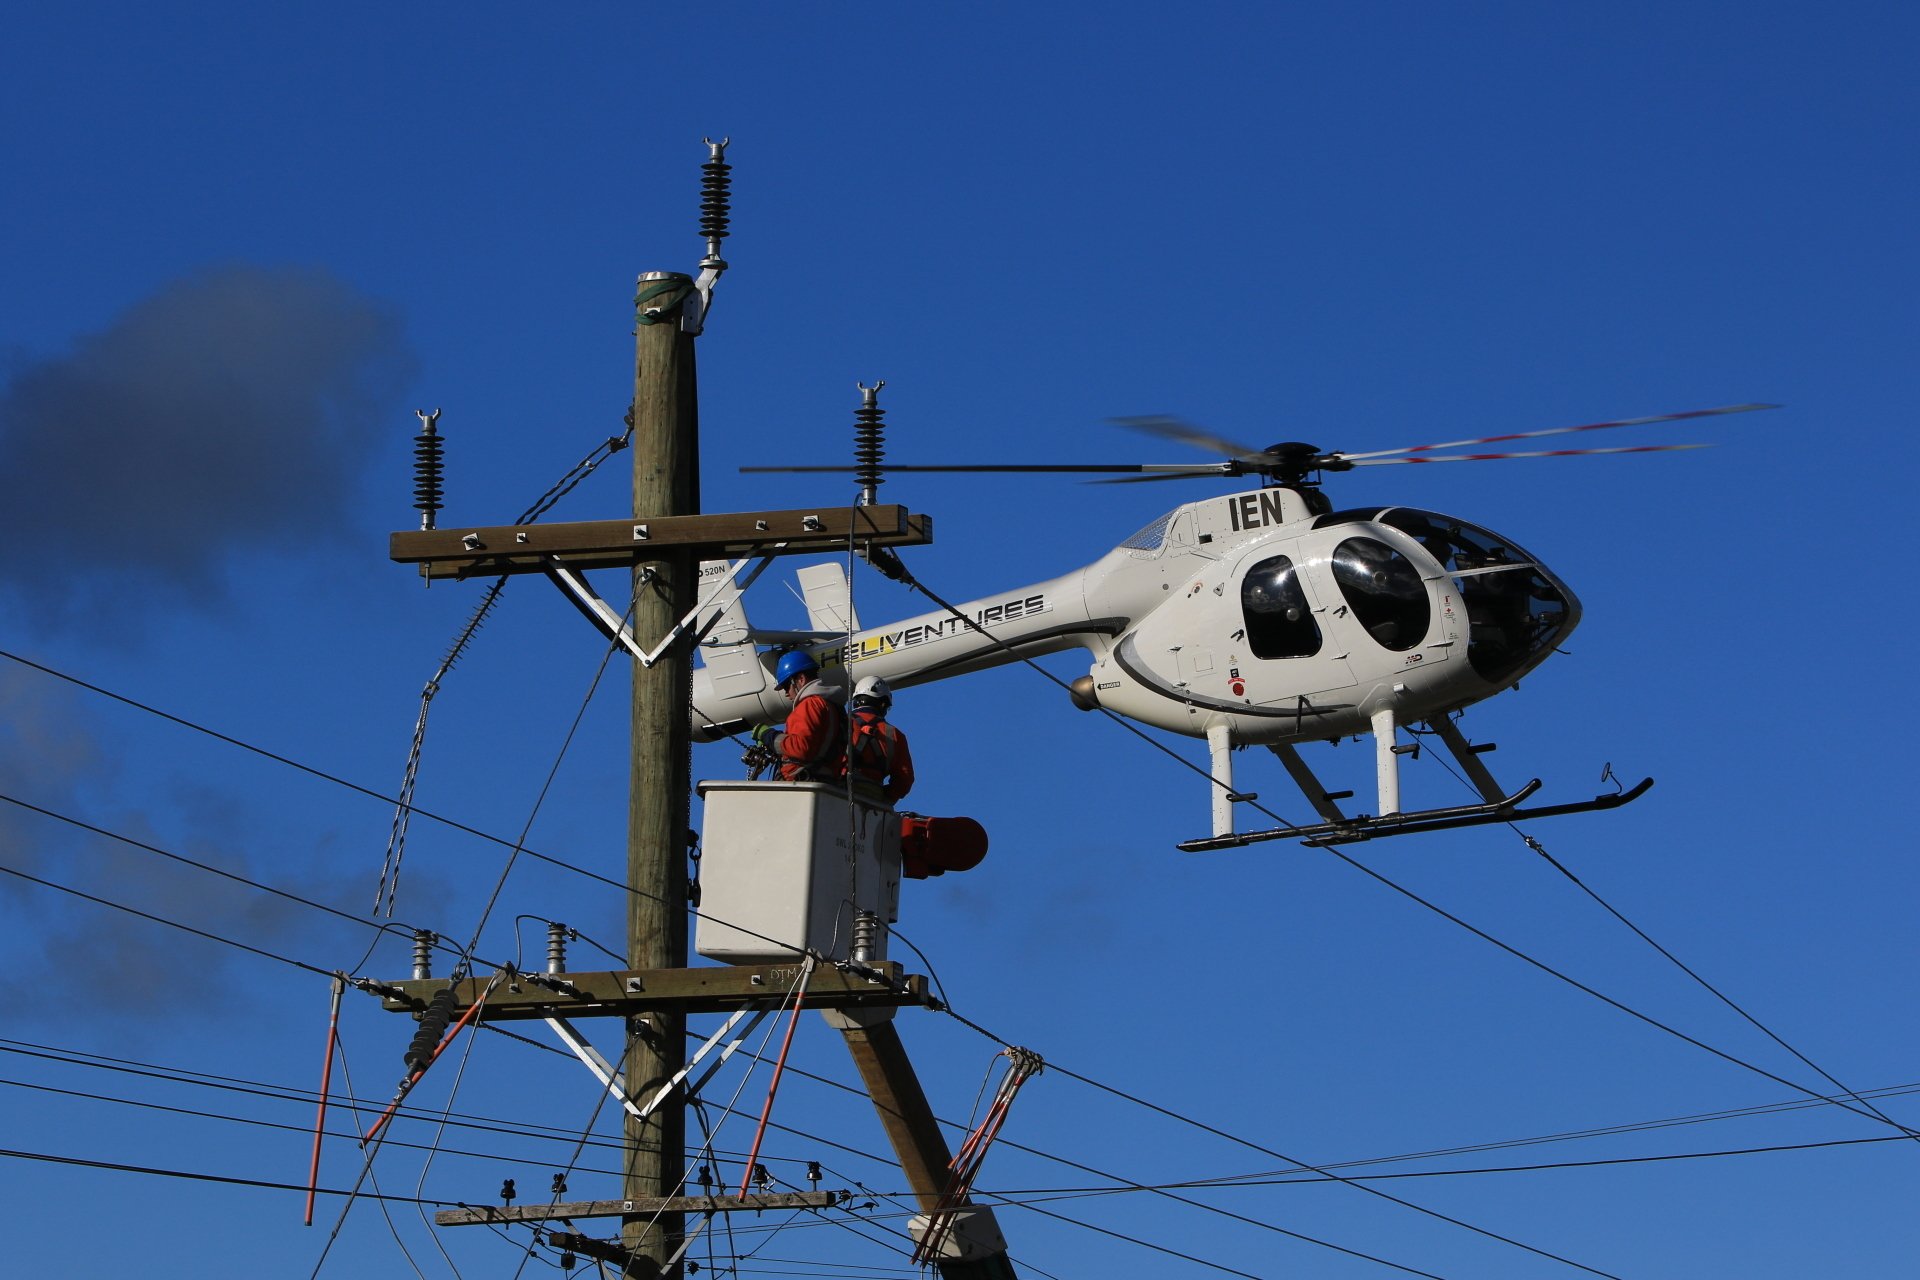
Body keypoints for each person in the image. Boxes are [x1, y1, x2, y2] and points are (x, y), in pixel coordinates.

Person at [753, 651, 847, 783]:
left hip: (799, 783)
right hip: (827, 781)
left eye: (786, 686)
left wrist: (769, 736)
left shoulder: (809, 704)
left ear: (800, 680)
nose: (786, 693)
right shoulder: (834, 708)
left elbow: (801, 747)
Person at [846, 675, 914, 805]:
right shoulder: (895, 734)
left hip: (837, 791)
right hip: (874, 799)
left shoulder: (841, 721)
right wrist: (886, 798)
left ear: (856, 700)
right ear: (883, 704)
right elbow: (904, 780)